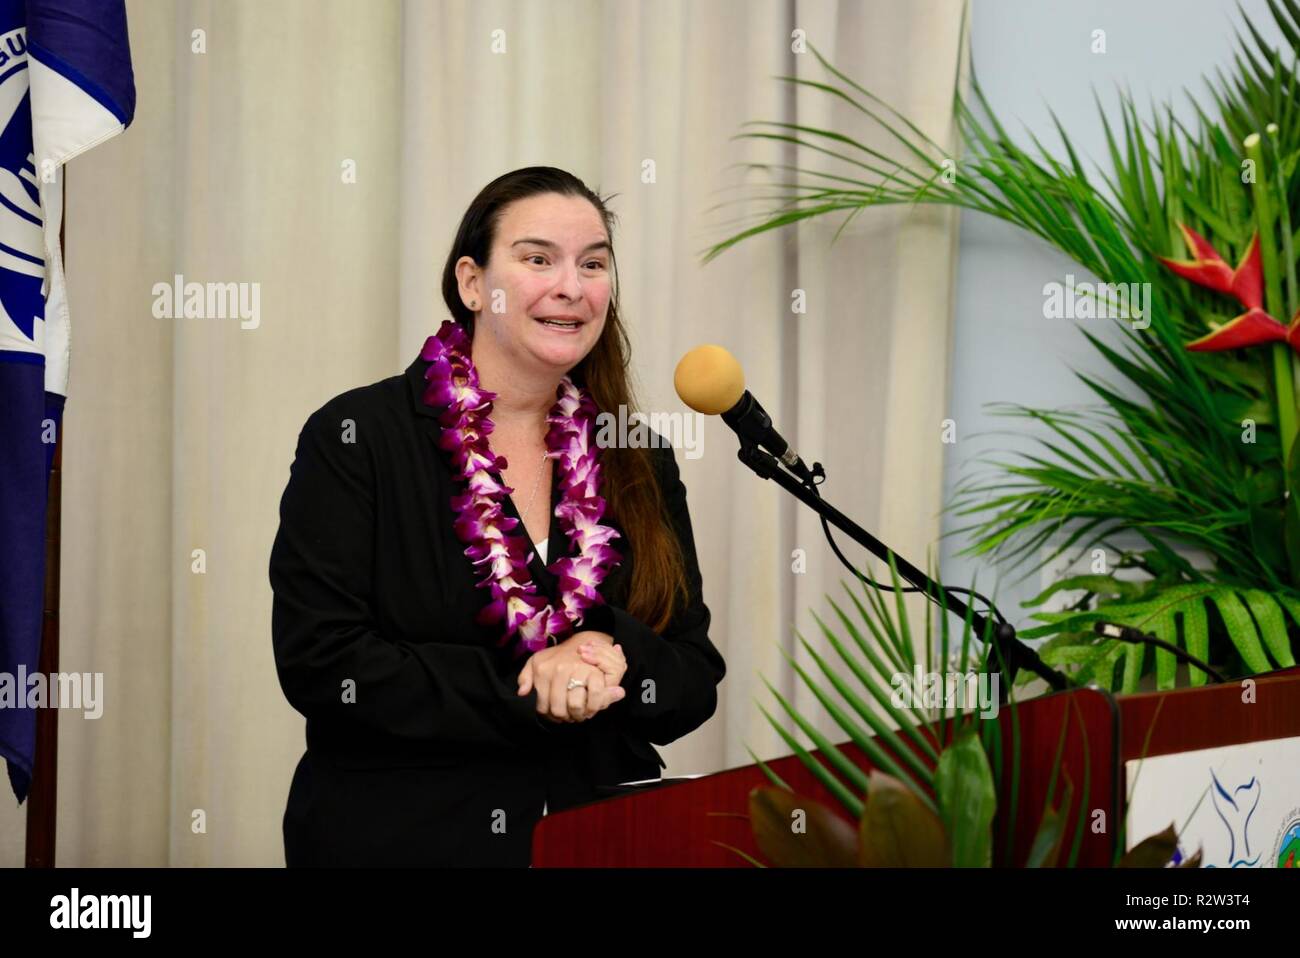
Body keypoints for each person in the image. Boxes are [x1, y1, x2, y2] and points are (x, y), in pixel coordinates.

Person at [269, 166, 726, 866]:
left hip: (599, 841)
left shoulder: (635, 456)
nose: (572, 286)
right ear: (473, 283)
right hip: (401, 844)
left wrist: (609, 652)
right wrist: (530, 686)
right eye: (538, 258)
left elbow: (693, 675)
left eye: (593, 263)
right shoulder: (359, 437)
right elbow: (323, 665)